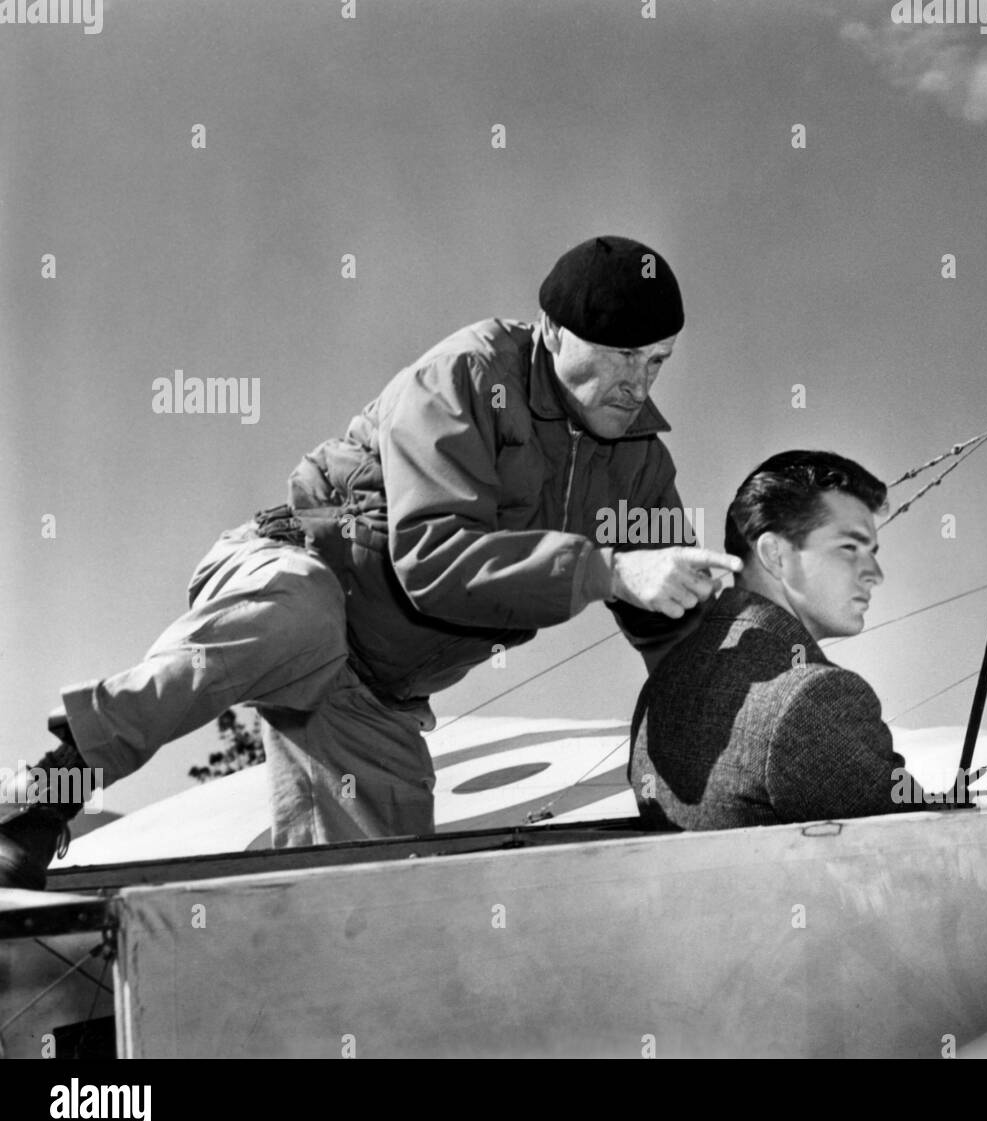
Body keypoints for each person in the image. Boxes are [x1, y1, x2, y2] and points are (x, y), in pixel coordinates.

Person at [1, 235, 741, 889]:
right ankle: (43, 801)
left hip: (376, 689)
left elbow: (675, 637)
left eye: (657, 362)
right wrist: (607, 570)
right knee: (290, 618)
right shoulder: (464, 378)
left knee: (370, 907)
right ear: (550, 331)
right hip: (301, 569)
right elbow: (433, 557)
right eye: (619, 357)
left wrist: (741, 732)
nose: (637, 385)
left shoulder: (640, 464)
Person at [629, 449, 944, 830]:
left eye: (872, 552)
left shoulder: (661, 685)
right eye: (849, 548)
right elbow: (928, 851)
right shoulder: (812, 699)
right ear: (775, 556)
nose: (874, 573)